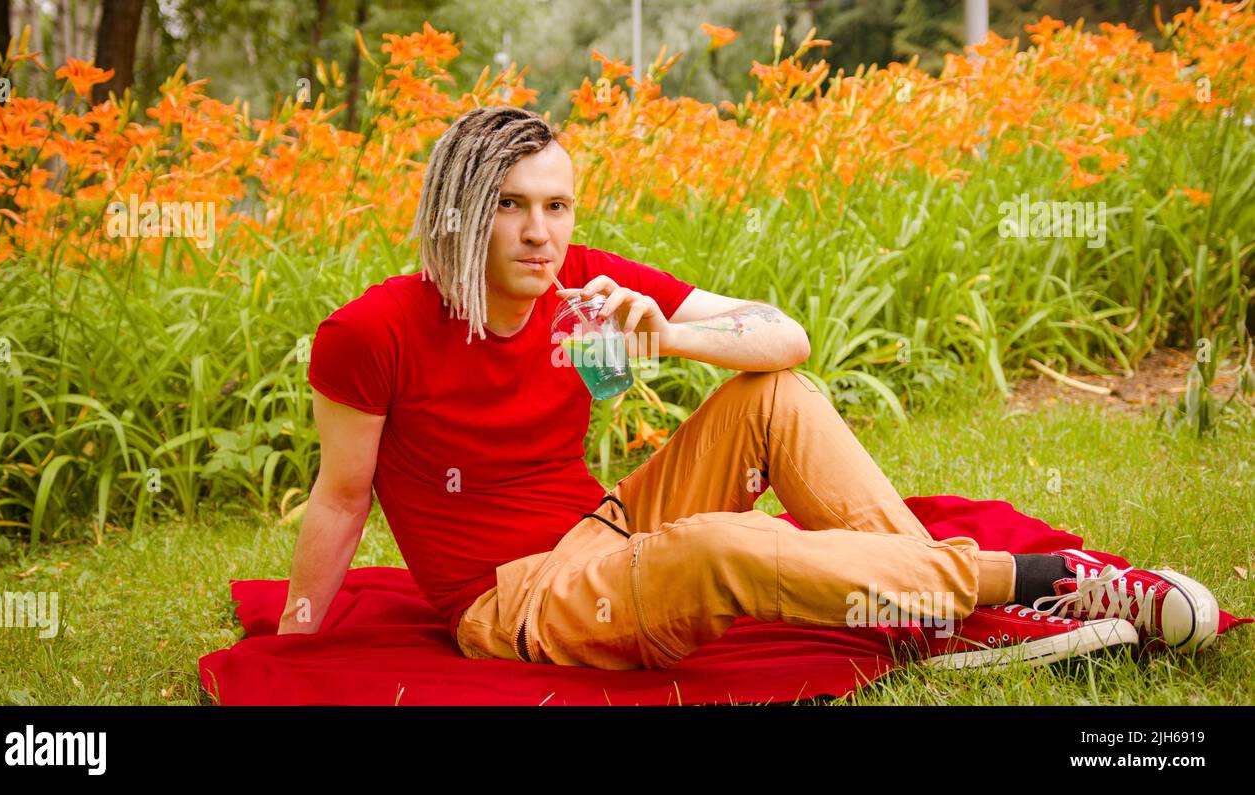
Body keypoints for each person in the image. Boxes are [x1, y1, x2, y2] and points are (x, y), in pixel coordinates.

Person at [277, 105, 1221, 671]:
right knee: (726, 543)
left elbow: (786, 337)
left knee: (778, 393)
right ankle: (1043, 585)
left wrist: (673, 333)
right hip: (515, 601)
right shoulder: (371, 333)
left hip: (604, 528)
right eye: (509, 206)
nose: (539, 232)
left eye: (555, 205)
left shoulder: (584, 285)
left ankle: (935, 615)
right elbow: (341, 496)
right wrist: (293, 640)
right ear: (459, 211)